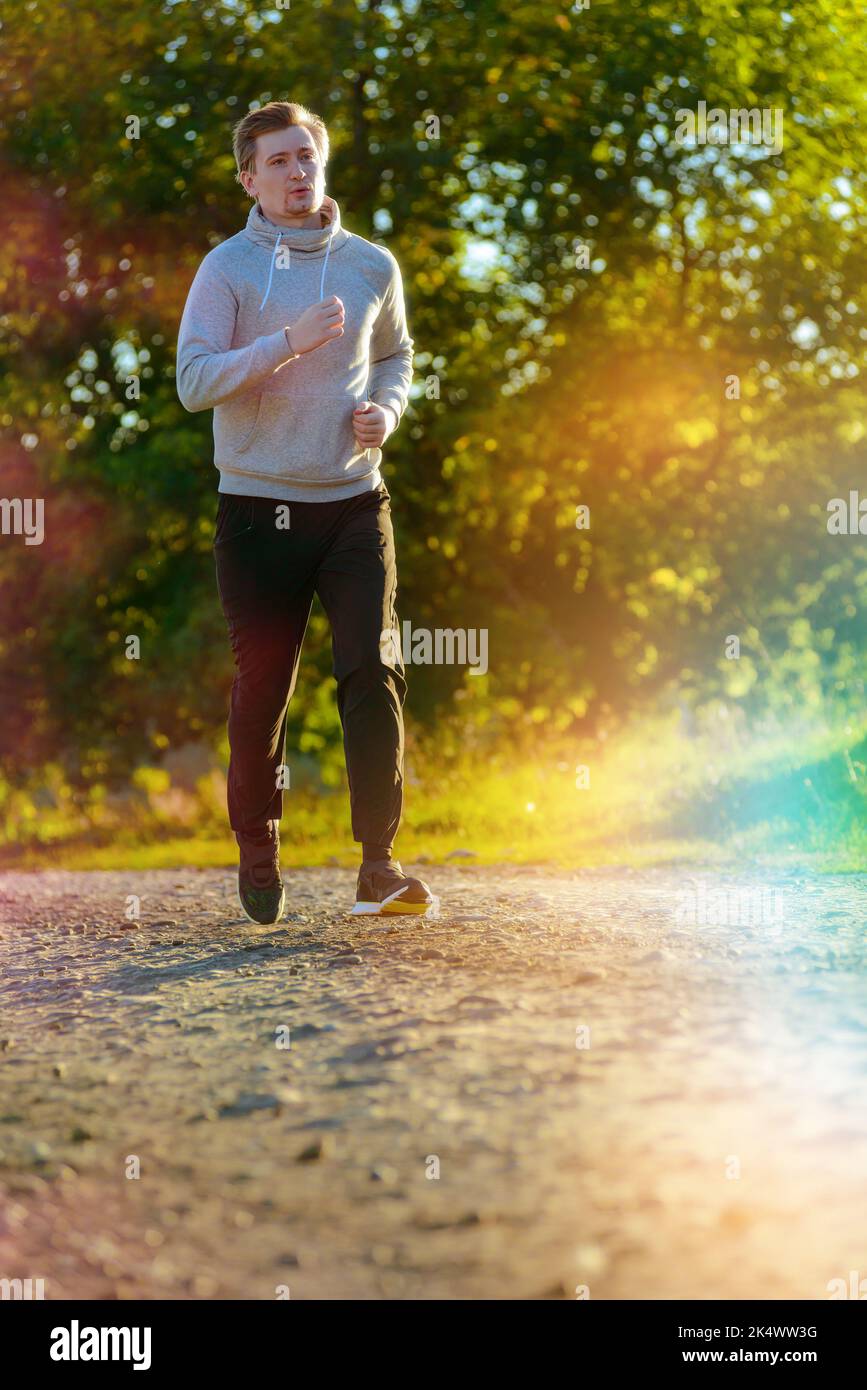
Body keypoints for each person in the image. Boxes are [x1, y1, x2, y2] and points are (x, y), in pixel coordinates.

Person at [176, 101, 433, 924]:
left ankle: (378, 866)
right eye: (278, 161)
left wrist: (386, 413)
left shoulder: (370, 265)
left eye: (306, 157)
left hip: (355, 500)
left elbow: (394, 357)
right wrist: (285, 342)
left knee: (371, 669)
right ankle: (259, 844)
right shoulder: (226, 270)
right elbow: (193, 382)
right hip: (256, 509)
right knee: (265, 689)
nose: (296, 172)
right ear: (248, 177)